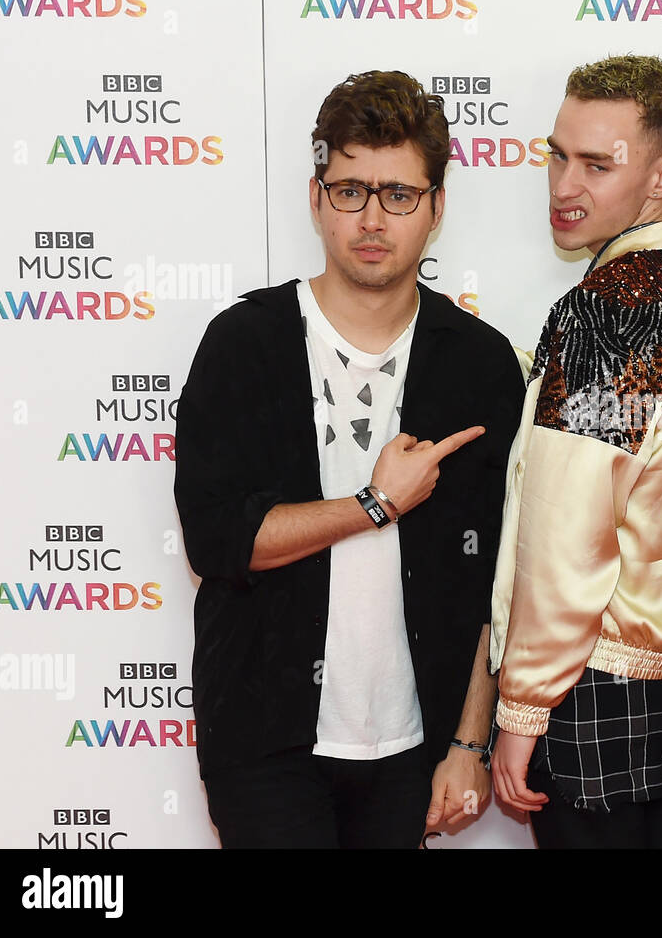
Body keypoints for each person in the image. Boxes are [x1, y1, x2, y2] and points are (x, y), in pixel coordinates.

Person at [173, 70, 524, 848]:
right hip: (266, 745)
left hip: (413, 746)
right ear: (314, 197)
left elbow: (493, 580)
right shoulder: (245, 345)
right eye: (349, 190)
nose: (372, 217)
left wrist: (468, 745)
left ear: (436, 208)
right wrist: (374, 505)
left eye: (398, 194)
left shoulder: (480, 364)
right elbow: (219, 541)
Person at [487, 55, 662, 848]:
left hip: (589, 683)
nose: (565, 185)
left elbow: (568, 538)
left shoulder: (603, 315)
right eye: (557, 154)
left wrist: (521, 710)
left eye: (598, 164)